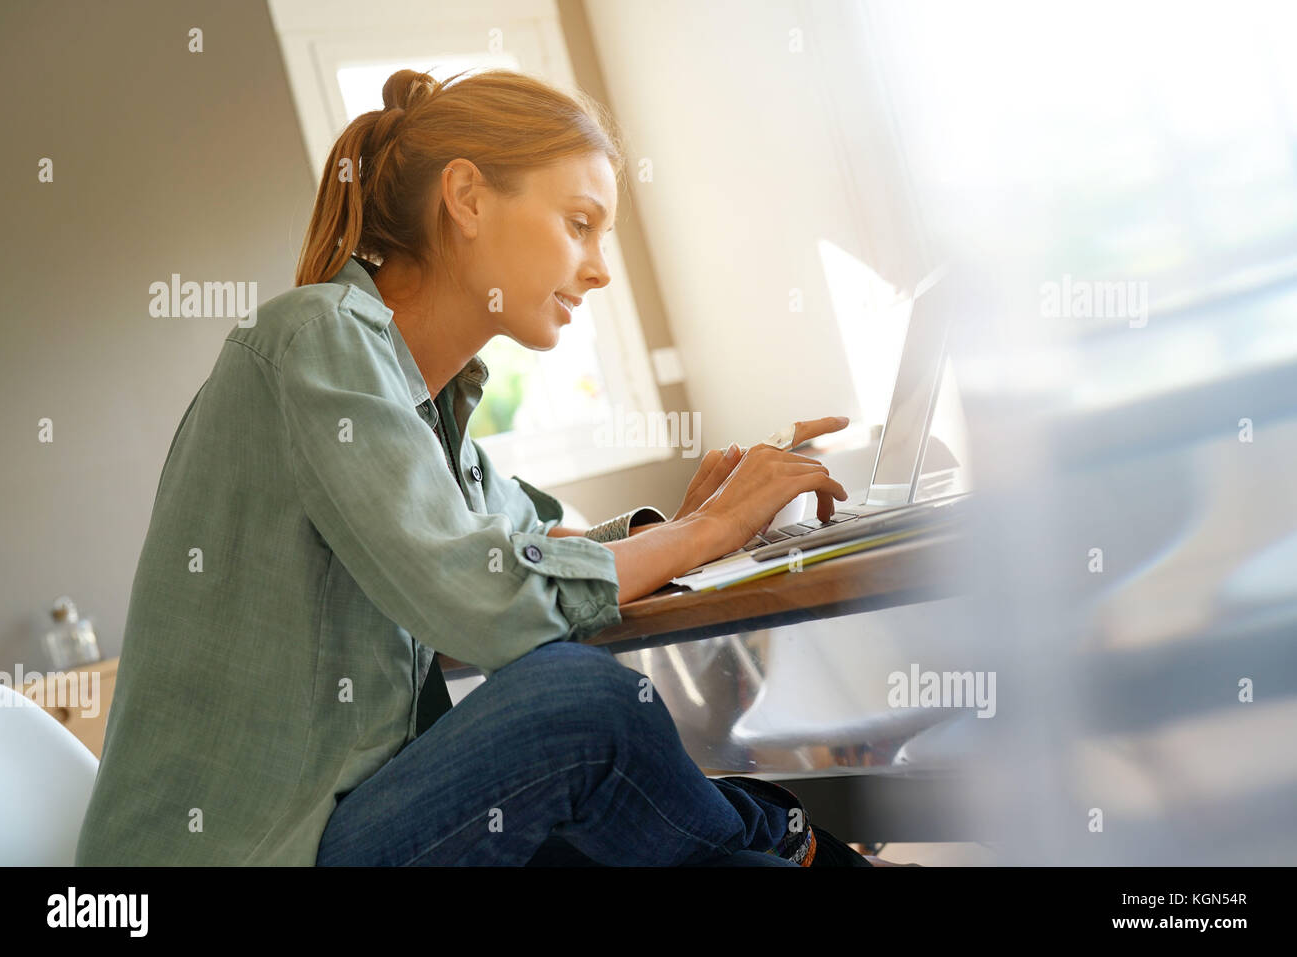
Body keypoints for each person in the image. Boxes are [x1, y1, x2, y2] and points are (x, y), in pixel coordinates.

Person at [75, 67, 877, 867]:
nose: (599, 267)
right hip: (239, 854)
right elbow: (492, 600)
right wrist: (705, 532)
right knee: (583, 702)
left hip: (342, 831)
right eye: (579, 222)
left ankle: (805, 853)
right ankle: (791, 837)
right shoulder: (313, 342)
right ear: (466, 198)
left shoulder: (432, 415)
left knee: (613, 848)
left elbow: (537, 547)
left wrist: (688, 525)